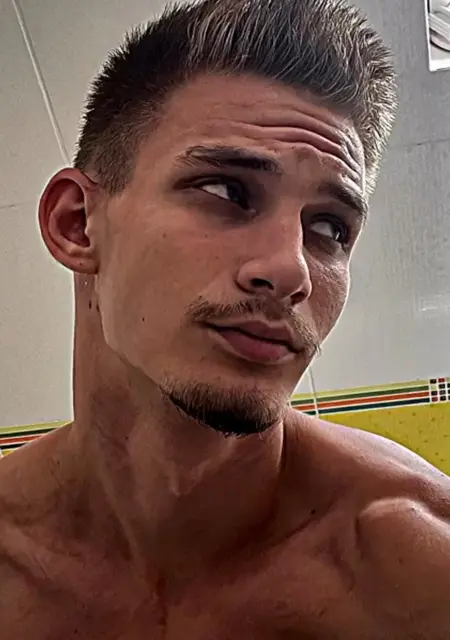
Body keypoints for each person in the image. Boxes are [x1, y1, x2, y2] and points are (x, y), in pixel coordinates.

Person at [0, 0, 449, 637]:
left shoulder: (420, 565)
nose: (291, 270)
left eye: (329, 227)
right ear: (76, 224)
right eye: (225, 190)